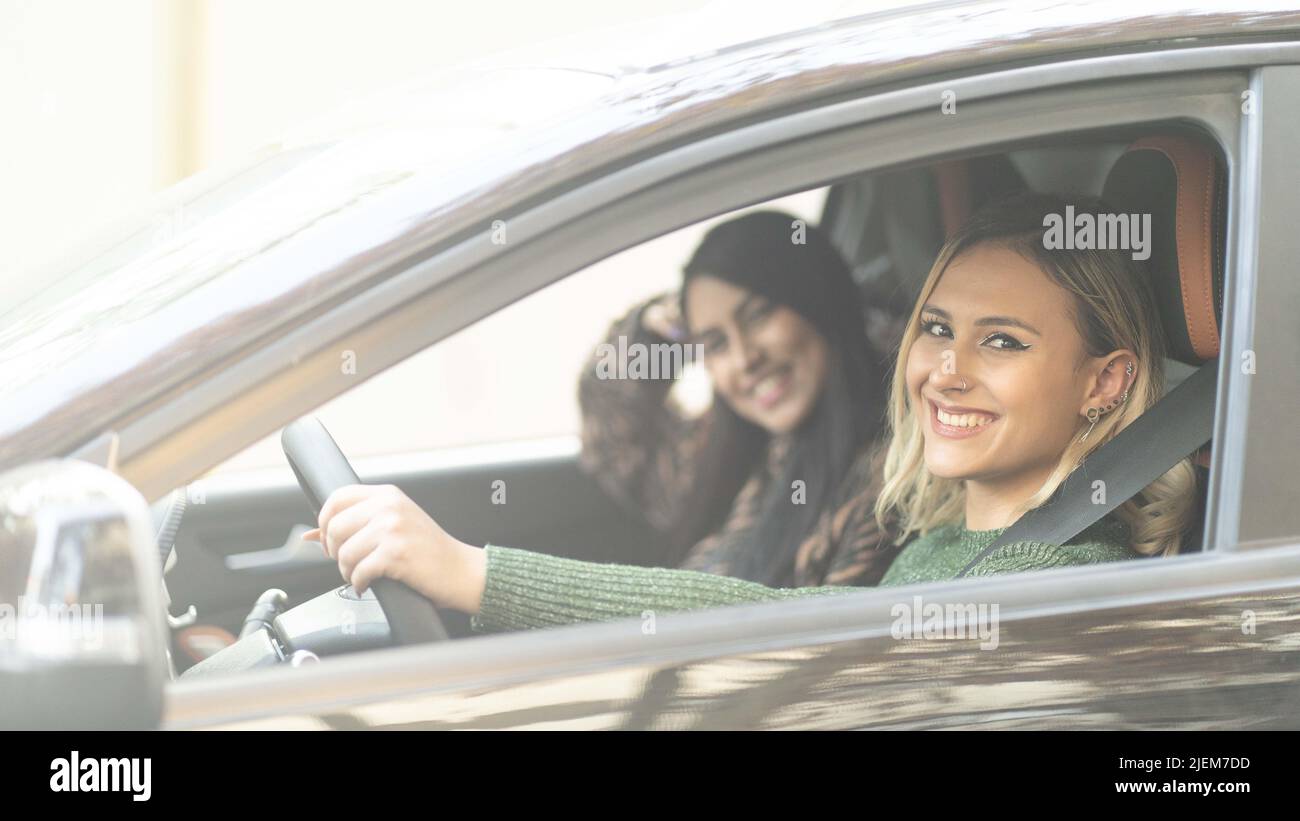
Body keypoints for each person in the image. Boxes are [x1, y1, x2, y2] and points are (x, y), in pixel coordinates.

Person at [302, 192, 1198, 633]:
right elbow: (794, 620)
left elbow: (777, 624)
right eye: (935, 329)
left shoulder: (1047, 582)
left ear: (1104, 383)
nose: (946, 371)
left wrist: (474, 573)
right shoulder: (941, 542)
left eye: (1003, 341)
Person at [577, 210, 897, 586]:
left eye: (758, 315)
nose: (746, 359)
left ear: (818, 299)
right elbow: (612, 431)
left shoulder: (887, 482)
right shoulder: (728, 456)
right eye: (715, 343)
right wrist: (655, 326)